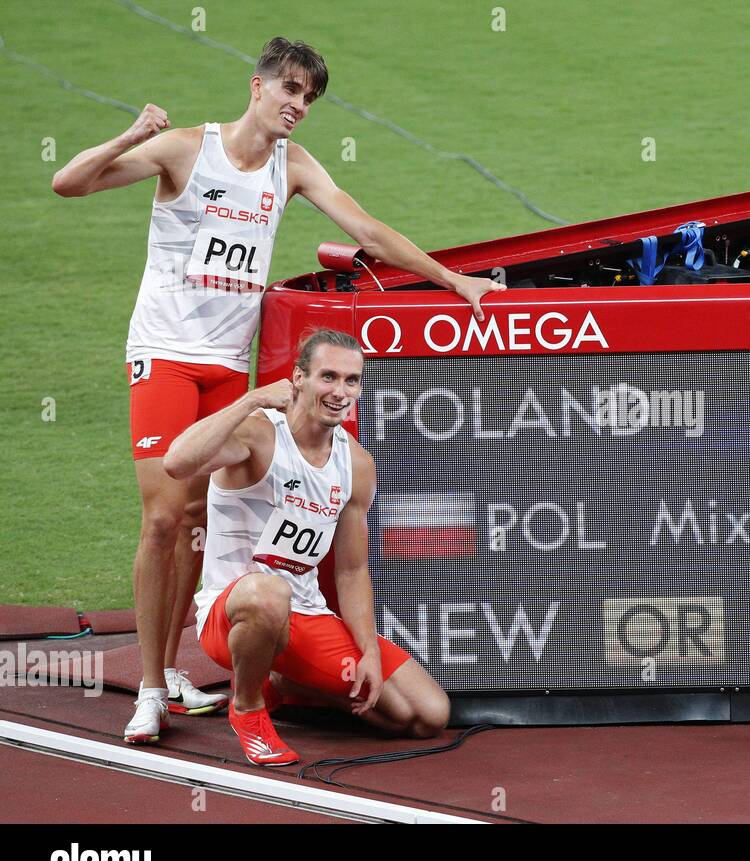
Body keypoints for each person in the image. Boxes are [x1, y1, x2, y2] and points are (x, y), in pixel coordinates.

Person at [51, 38, 501, 744]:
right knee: (164, 516)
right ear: (256, 87)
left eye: (309, 98)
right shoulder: (184, 149)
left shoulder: (293, 167)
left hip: (232, 362)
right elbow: (68, 184)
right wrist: (132, 136)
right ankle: (147, 688)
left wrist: (452, 280)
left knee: (201, 511)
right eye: (290, 90)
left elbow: (366, 229)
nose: (298, 106)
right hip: (165, 353)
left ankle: (172, 667)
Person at [164, 329, 448, 766]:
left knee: (426, 714)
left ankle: (289, 686)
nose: (340, 392)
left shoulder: (355, 463)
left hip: (306, 617)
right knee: (268, 592)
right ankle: (249, 708)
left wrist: (368, 652)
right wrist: (249, 400)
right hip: (234, 612)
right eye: (328, 377)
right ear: (298, 378)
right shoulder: (257, 436)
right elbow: (176, 462)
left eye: (351, 381)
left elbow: (351, 571)